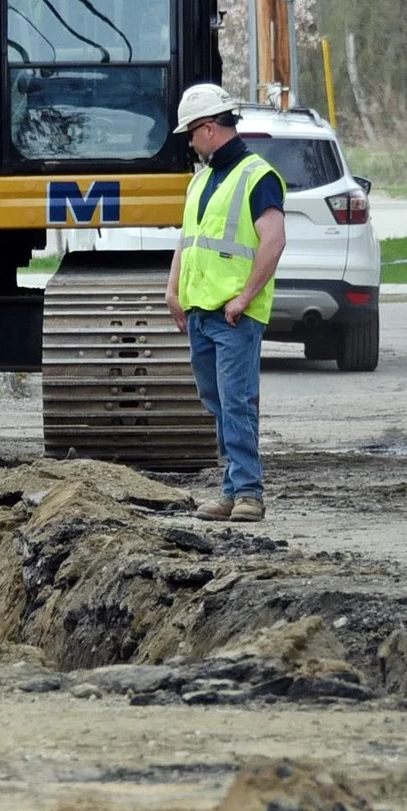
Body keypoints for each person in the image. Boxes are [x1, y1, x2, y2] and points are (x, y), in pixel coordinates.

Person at [165, 82, 288, 523]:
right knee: (218, 402)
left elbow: (273, 242)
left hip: (233, 315)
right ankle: (233, 488)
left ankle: (249, 492)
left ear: (210, 129)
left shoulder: (258, 177)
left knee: (237, 401)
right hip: (201, 311)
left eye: (191, 134)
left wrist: (244, 299)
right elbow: (189, 240)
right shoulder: (202, 181)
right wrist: (173, 288)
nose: (190, 143)